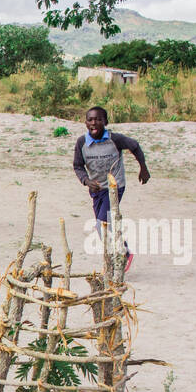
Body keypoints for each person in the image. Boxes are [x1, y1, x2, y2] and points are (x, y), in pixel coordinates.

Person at [73, 106, 151, 272]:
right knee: (105, 226)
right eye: (90, 120)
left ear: (106, 122)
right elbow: (78, 166)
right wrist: (86, 180)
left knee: (102, 224)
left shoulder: (114, 139)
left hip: (115, 187)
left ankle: (123, 255)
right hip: (96, 189)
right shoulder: (82, 143)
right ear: (86, 122)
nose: (94, 123)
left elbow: (135, 146)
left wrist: (143, 168)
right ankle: (116, 253)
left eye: (99, 119)